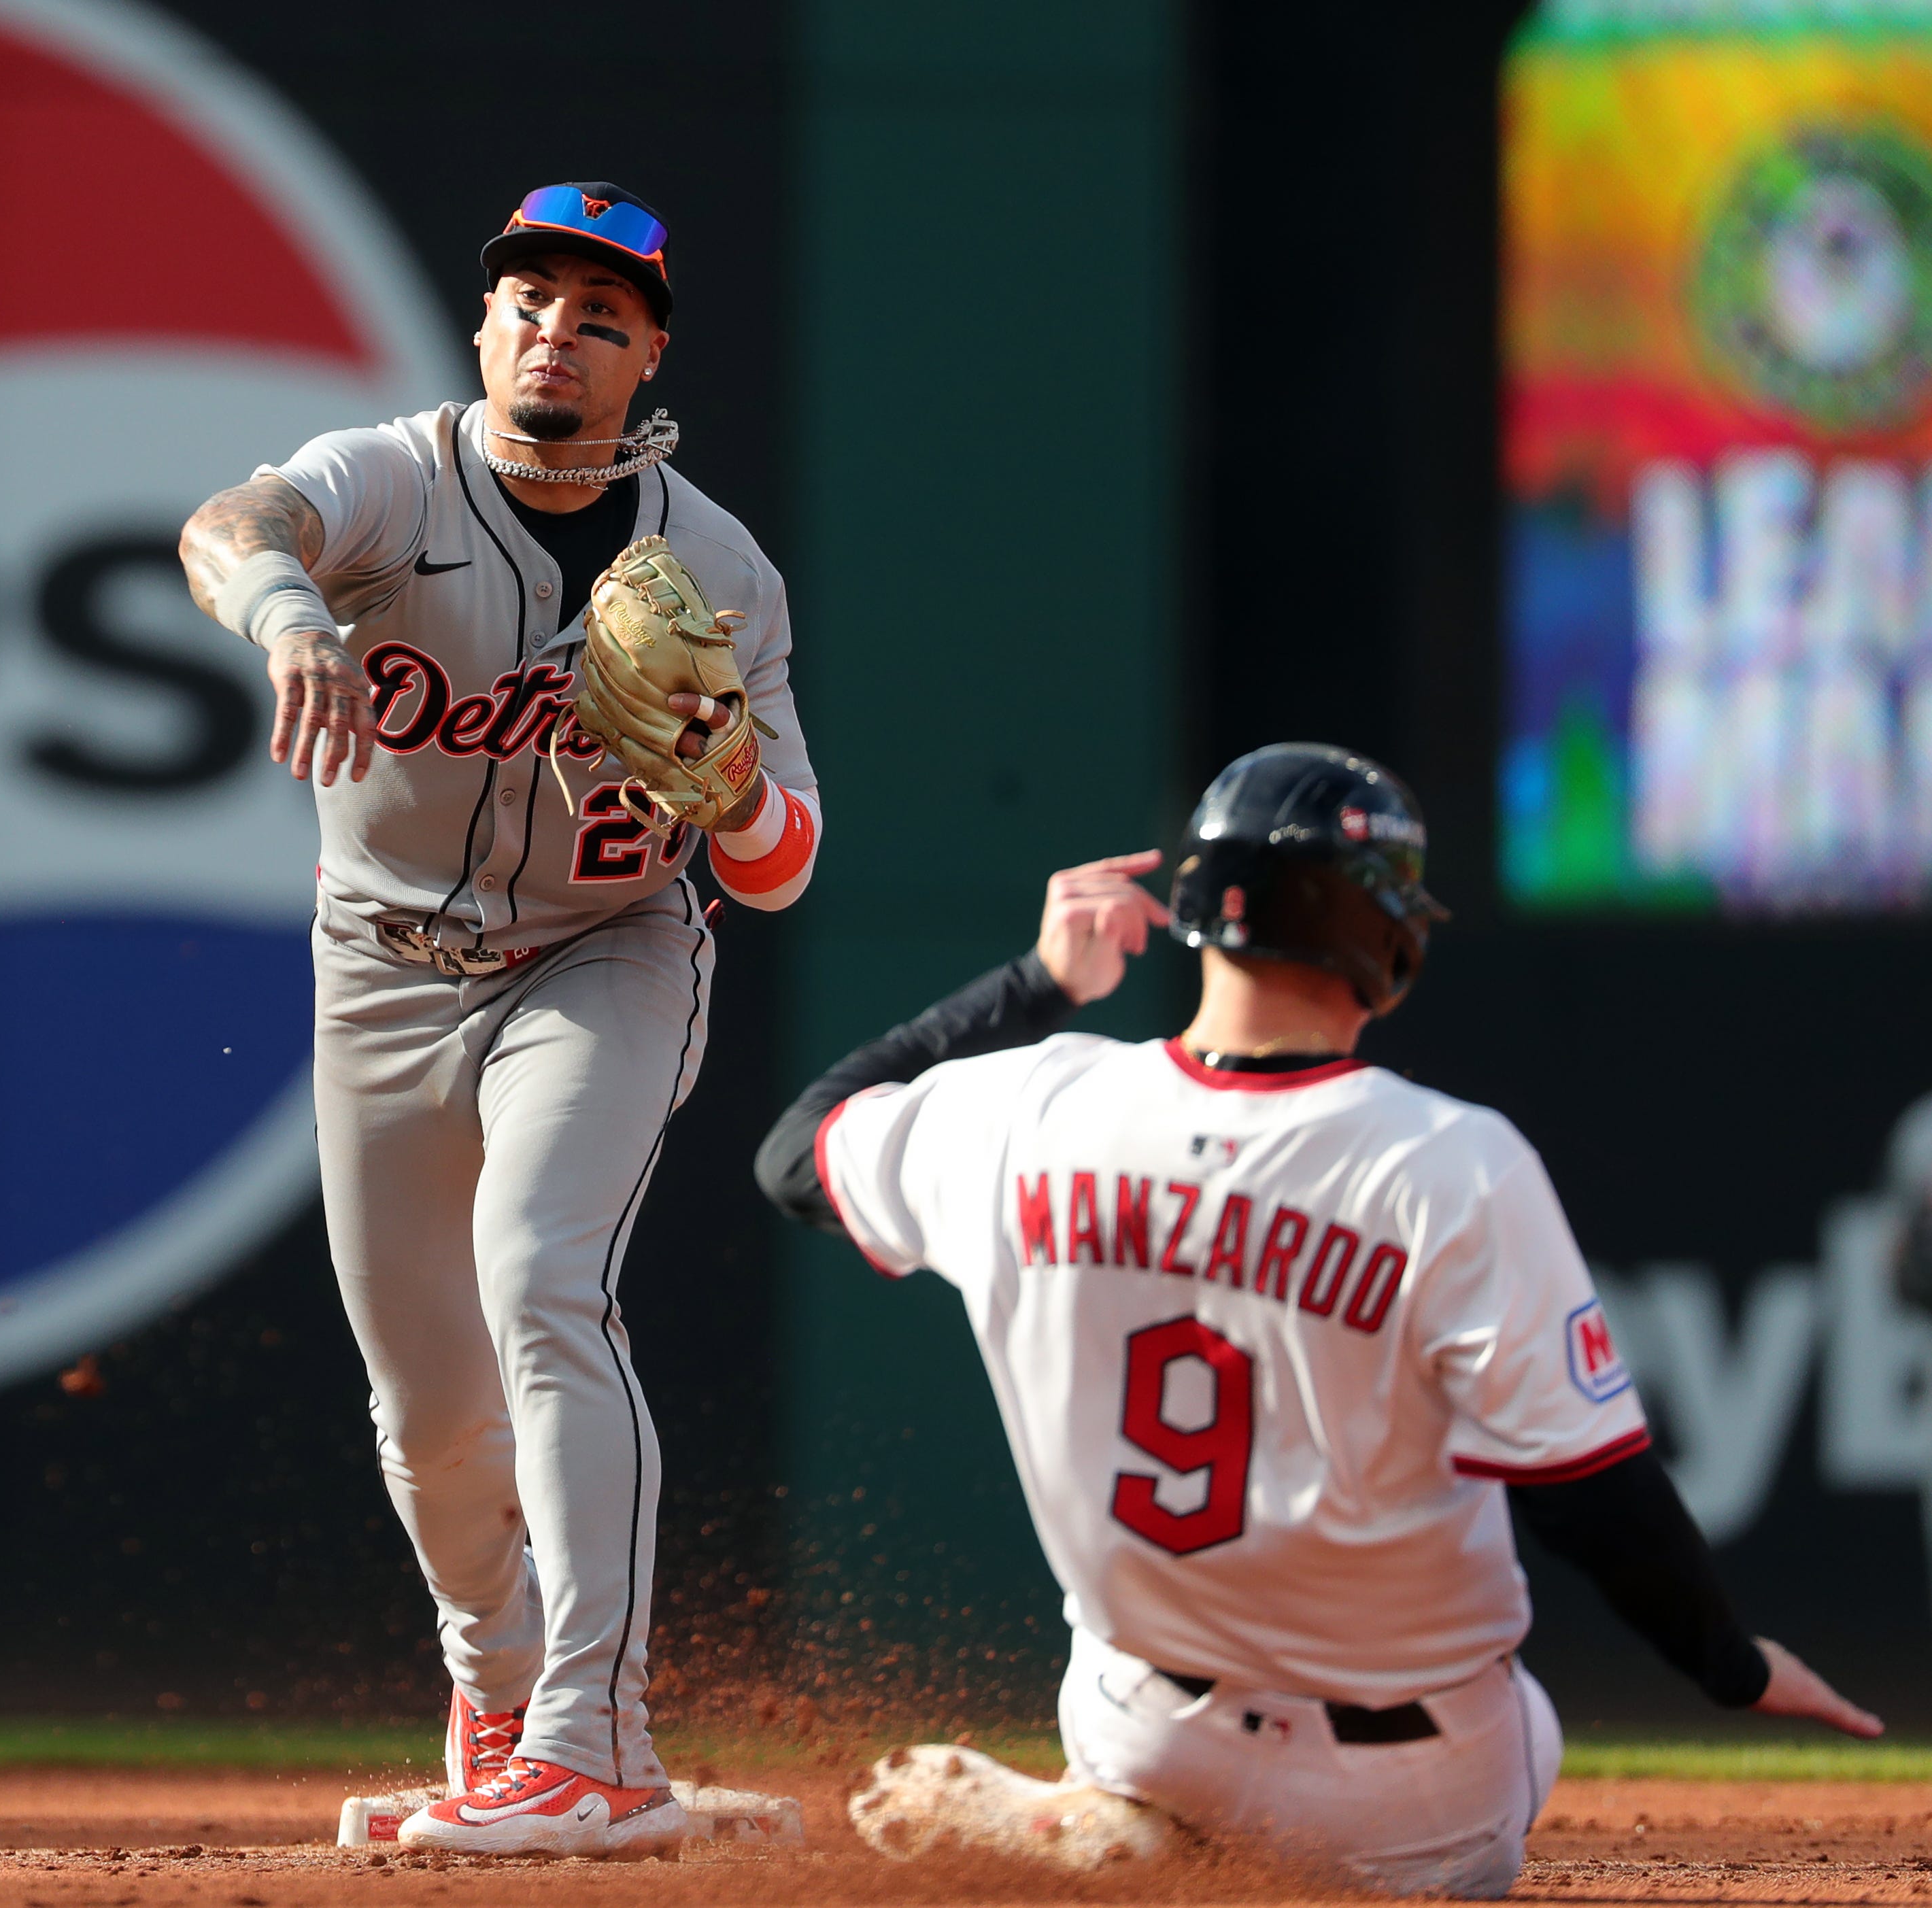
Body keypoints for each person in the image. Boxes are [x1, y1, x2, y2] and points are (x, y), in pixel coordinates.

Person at [754, 743, 1874, 1896]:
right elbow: (1591, 1497)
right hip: (1415, 1798)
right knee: (1527, 1728)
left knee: (1132, 1688)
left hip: (1146, 1730)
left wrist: (1040, 977)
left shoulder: (1029, 1108)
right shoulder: (1446, 1162)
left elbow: (797, 1154)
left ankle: (1135, 1831)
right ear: (1381, 927)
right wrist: (1731, 1668)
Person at [180, 182, 820, 1858]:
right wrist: (291, 612)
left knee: (539, 1274)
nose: (558, 329)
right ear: (485, 330)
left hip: (599, 954)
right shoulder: (392, 478)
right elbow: (228, 522)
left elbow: (780, 869)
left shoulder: (718, 564)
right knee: (425, 1407)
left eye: (600, 314)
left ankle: (594, 1738)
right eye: (530, 299)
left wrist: (733, 775)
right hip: (380, 963)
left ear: (648, 356)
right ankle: (497, 1693)